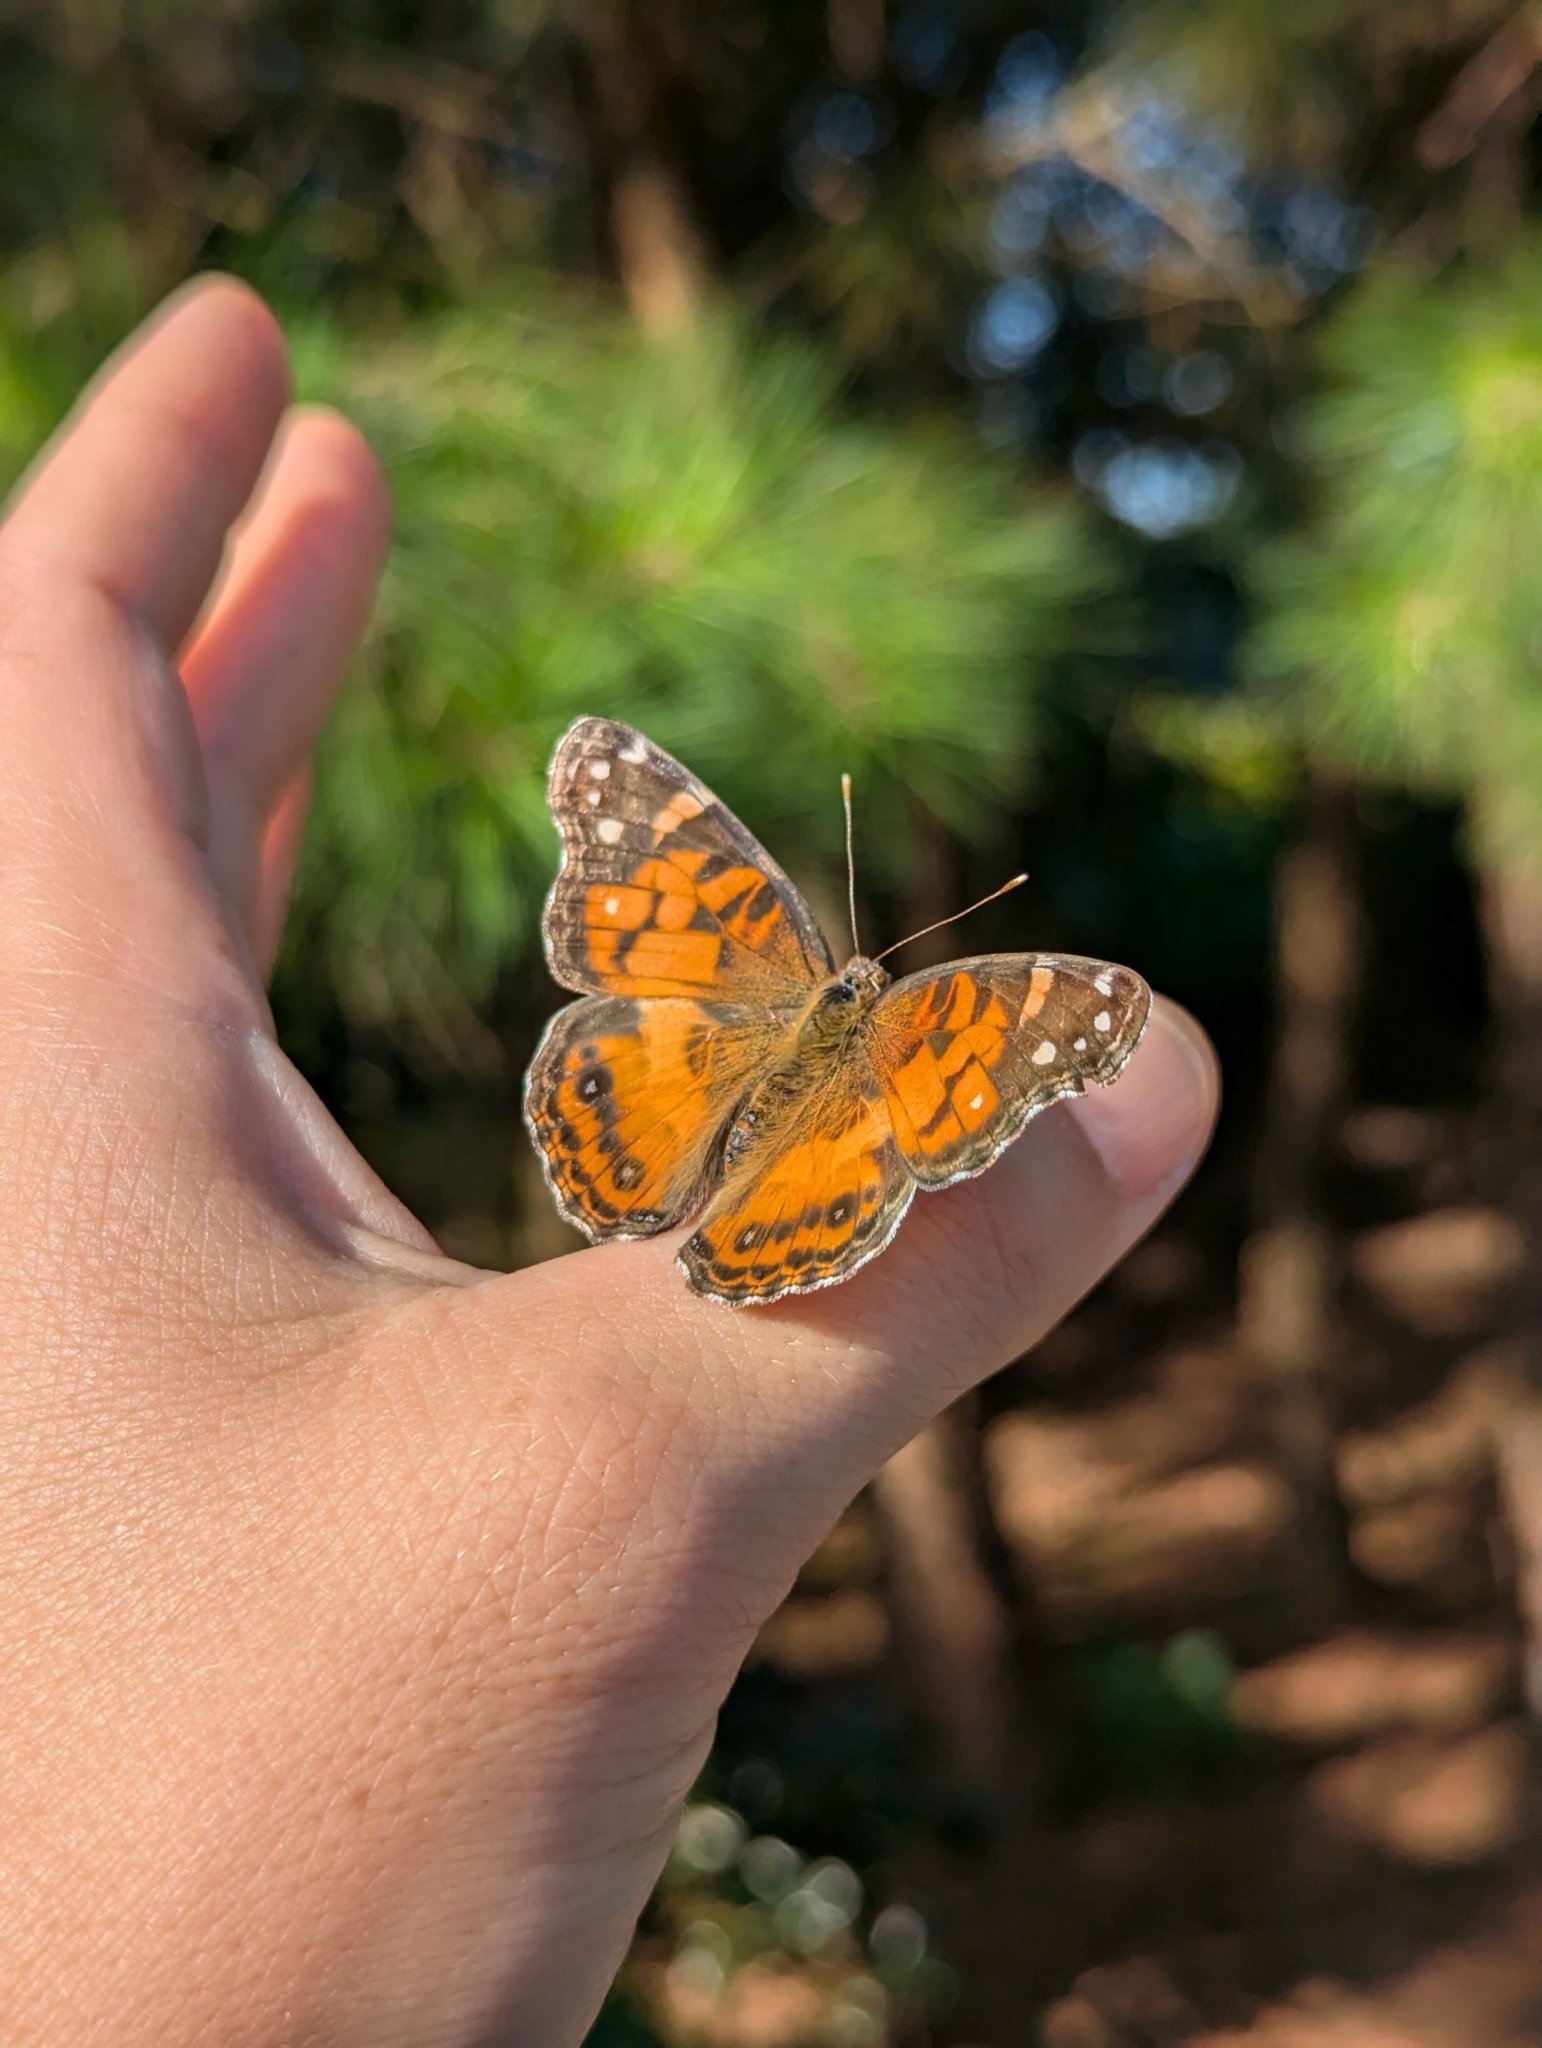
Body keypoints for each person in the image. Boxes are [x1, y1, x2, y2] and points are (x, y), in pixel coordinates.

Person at [0, 277, 1218, 2045]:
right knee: (785, 1137)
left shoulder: (914, 986)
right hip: (784, 1130)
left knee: (728, 1130)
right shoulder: (936, 1007)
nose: (868, 979)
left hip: (690, 1076)